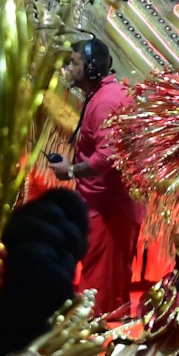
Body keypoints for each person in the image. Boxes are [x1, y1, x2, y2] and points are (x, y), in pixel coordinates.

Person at [47, 38, 140, 313]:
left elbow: (108, 156)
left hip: (109, 213)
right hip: (103, 208)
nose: (69, 68)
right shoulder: (102, 95)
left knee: (101, 303)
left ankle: (99, 354)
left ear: (91, 67)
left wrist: (72, 170)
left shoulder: (105, 102)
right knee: (101, 293)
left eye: (74, 62)